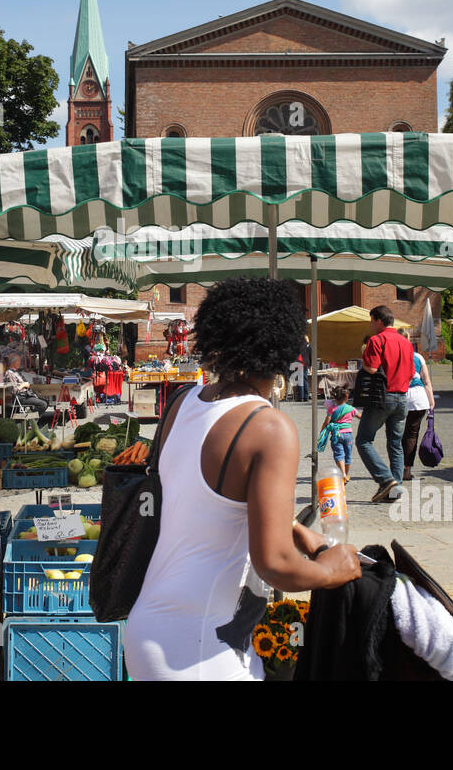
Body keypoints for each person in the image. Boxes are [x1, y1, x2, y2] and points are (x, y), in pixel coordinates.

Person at [124, 278, 362, 681]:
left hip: (147, 628)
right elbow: (275, 565)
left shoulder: (183, 402)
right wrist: (332, 570)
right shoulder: (269, 427)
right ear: (283, 349)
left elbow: (198, 504)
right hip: (200, 650)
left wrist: (289, 528)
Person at [354, 306, 415, 503]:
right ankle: (395, 487)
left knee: (363, 440)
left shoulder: (377, 340)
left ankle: (386, 479)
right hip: (403, 397)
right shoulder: (406, 343)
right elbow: (412, 373)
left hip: (383, 396)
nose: (371, 326)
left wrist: (363, 363)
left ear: (379, 320)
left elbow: (371, 368)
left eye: (372, 321)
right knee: (395, 443)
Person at [401, 350, 436, 481]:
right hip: (418, 397)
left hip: (398, 395)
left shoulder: (391, 353)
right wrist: (431, 403)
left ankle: (396, 469)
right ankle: (407, 470)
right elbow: (426, 382)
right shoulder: (418, 357)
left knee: (395, 434)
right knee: (411, 435)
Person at [319, 385, 358, 479]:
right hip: (348, 435)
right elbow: (361, 416)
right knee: (348, 456)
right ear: (347, 397)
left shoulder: (332, 409)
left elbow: (326, 422)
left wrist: (322, 431)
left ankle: (343, 474)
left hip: (336, 435)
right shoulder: (350, 408)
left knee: (339, 455)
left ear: (335, 398)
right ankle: (346, 475)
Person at [3, 353, 49, 418]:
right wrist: (23, 385)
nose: (20, 363)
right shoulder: (10, 373)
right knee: (43, 404)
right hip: (20, 397)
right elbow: (14, 391)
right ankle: (31, 421)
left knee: (46, 402)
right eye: (19, 361)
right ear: (14, 362)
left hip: (26, 395)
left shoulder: (16, 372)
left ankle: (31, 419)